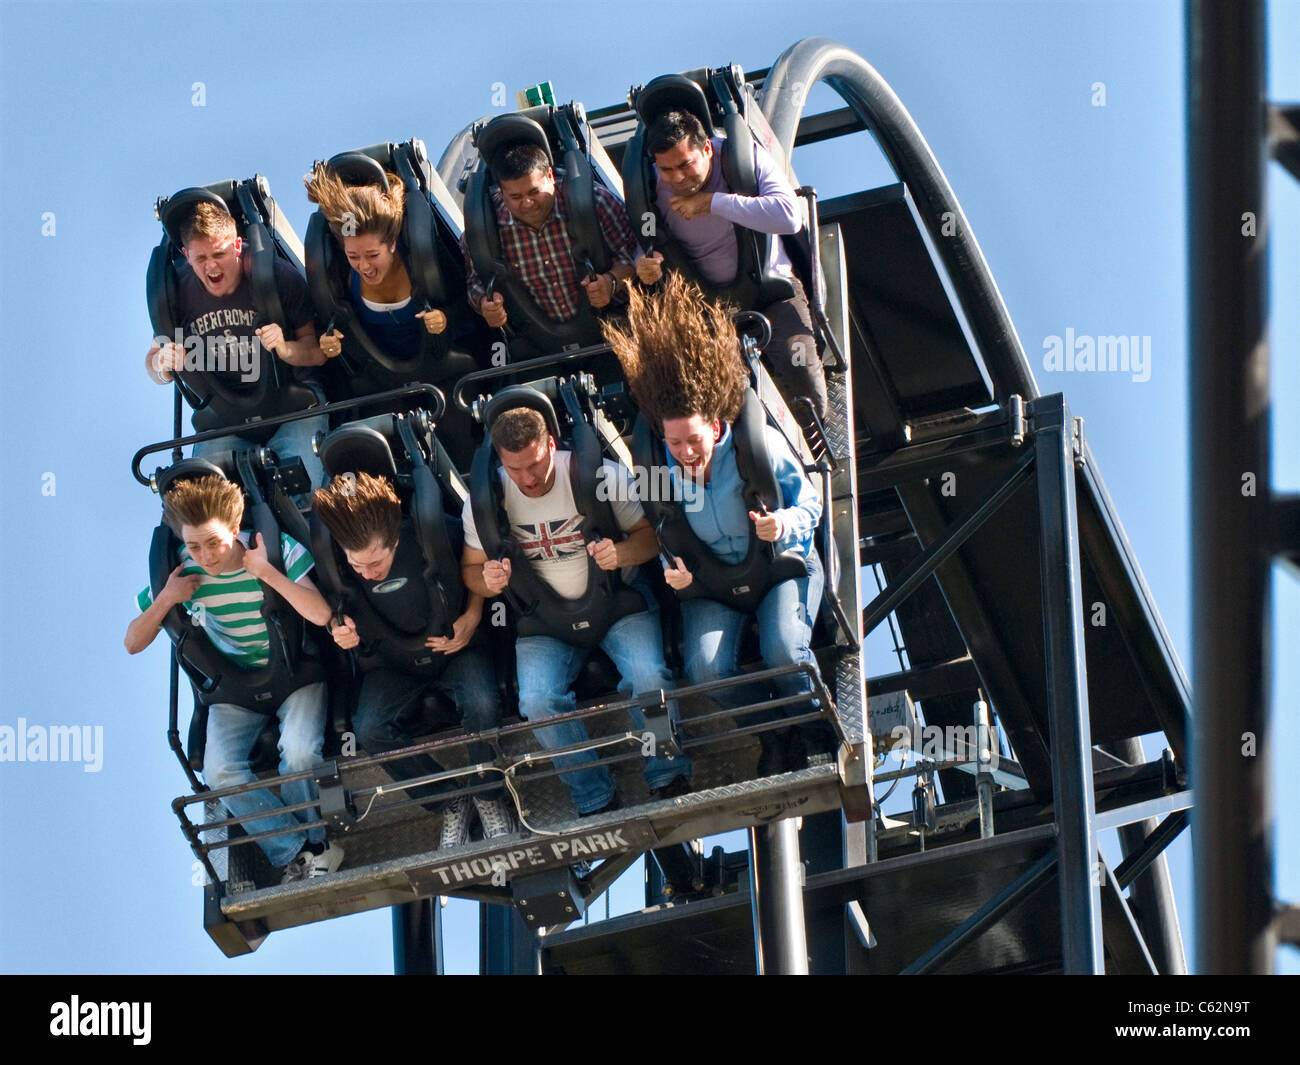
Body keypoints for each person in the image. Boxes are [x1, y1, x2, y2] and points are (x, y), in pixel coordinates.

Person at [603, 274, 831, 775]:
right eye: (674, 443)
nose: (684, 453)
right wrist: (674, 571)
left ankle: (816, 727)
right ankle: (772, 729)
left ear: (716, 424)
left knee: (784, 652)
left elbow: (811, 507)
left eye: (693, 441)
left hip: (780, 566)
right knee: (706, 669)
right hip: (715, 583)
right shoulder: (660, 468)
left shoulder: (756, 448)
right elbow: (662, 531)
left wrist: (783, 525)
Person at [460, 405, 692, 815]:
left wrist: (620, 553)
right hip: (543, 619)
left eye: (535, 463)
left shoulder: (600, 477)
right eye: (515, 469)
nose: (529, 478)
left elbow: (651, 539)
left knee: (647, 675)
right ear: (500, 462)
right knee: (536, 700)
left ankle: (667, 771)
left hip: (617, 602)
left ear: (551, 444)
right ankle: (594, 794)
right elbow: (470, 570)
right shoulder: (485, 502)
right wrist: (488, 581)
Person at [125, 475, 343, 882]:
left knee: (297, 752)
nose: (205, 555)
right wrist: (168, 598)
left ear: (235, 526)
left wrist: (268, 574)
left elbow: (321, 615)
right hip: (235, 687)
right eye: (194, 546)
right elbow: (133, 642)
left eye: (214, 543)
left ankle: (317, 843)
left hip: (293, 671)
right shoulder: (181, 572)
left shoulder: (270, 552)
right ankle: (296, 851)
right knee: (219, 772)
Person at [312, 471, 513, 847]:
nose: (368, 574)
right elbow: (332, 610)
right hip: (393, 662)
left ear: (395, 539)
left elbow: (474, 565)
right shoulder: (337, 564)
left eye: (376, 563)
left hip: (456, 647)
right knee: (369, 728)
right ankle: (449, 799)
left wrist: (472, 616)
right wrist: (339, 628)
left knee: (482, 703)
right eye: (359, 567)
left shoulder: (434, 534)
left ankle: (488, 794)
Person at [635, 108, 828, 421]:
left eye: (686, 164)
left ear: (707, 148)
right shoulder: (650, 188)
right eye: (667, 170)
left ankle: (814, 444)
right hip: (709, 309)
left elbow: (788, 215)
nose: (678, 178)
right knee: (715, 400)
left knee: (800, 364)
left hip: (771, 292)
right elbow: (643, 234)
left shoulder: (741, 157)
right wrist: (644, 261)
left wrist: (713, 203)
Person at [145, 201, 329, 487]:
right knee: (204, 507)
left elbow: (318, 352)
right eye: (200, 258)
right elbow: (153, 360)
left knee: (310, 499)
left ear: (238, 246)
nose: (212, 266)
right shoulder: (175, 295)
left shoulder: (278, 278)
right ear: (186, 255)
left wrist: (286, 348)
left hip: (293, 408)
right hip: (223, 419)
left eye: (219, 254)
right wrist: (162, 365)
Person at [461, 141, 638, 336]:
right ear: (501, 194)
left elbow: (633, 254)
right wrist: (485, 304)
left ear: (551, 177)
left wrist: (611, 281)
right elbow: (474, 282)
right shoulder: (482, 229)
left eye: (533, 192)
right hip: (537, 340)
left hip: (612, 326)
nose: (527, 203)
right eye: (516, 197)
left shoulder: (595, 203)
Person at [304, 162, 448, 362]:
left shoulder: (421, 257)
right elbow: (330, 324)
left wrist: (444, 317)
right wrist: (330, 340)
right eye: (353, 256)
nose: (363, 266)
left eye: (372, 255)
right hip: (385, 381)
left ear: (392, 243)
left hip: (445, 365)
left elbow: (464, 299)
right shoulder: (339, 275)